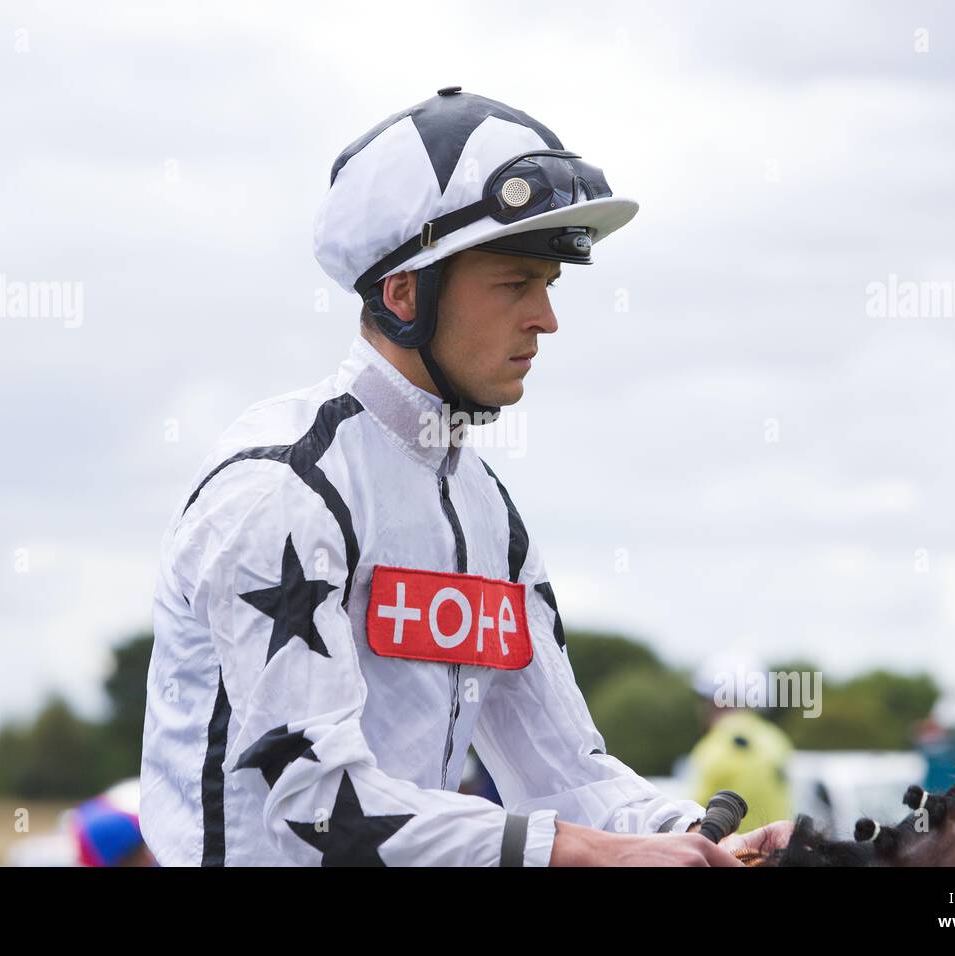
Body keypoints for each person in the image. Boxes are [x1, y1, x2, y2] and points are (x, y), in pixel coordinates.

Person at [140, 87, 792, 866]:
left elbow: (563, 774)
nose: (546, 320)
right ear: (405, 293)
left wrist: (696, 837)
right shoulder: (284, 489)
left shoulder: (490, 515)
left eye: (549, 285)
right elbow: (320, 806)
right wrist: (582, 854)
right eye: (516, 284)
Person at [685, 652, 793, 829]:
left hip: (727, 854)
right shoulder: (777, 740)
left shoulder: (717, 746)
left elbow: (687, 819)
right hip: (775, 851)